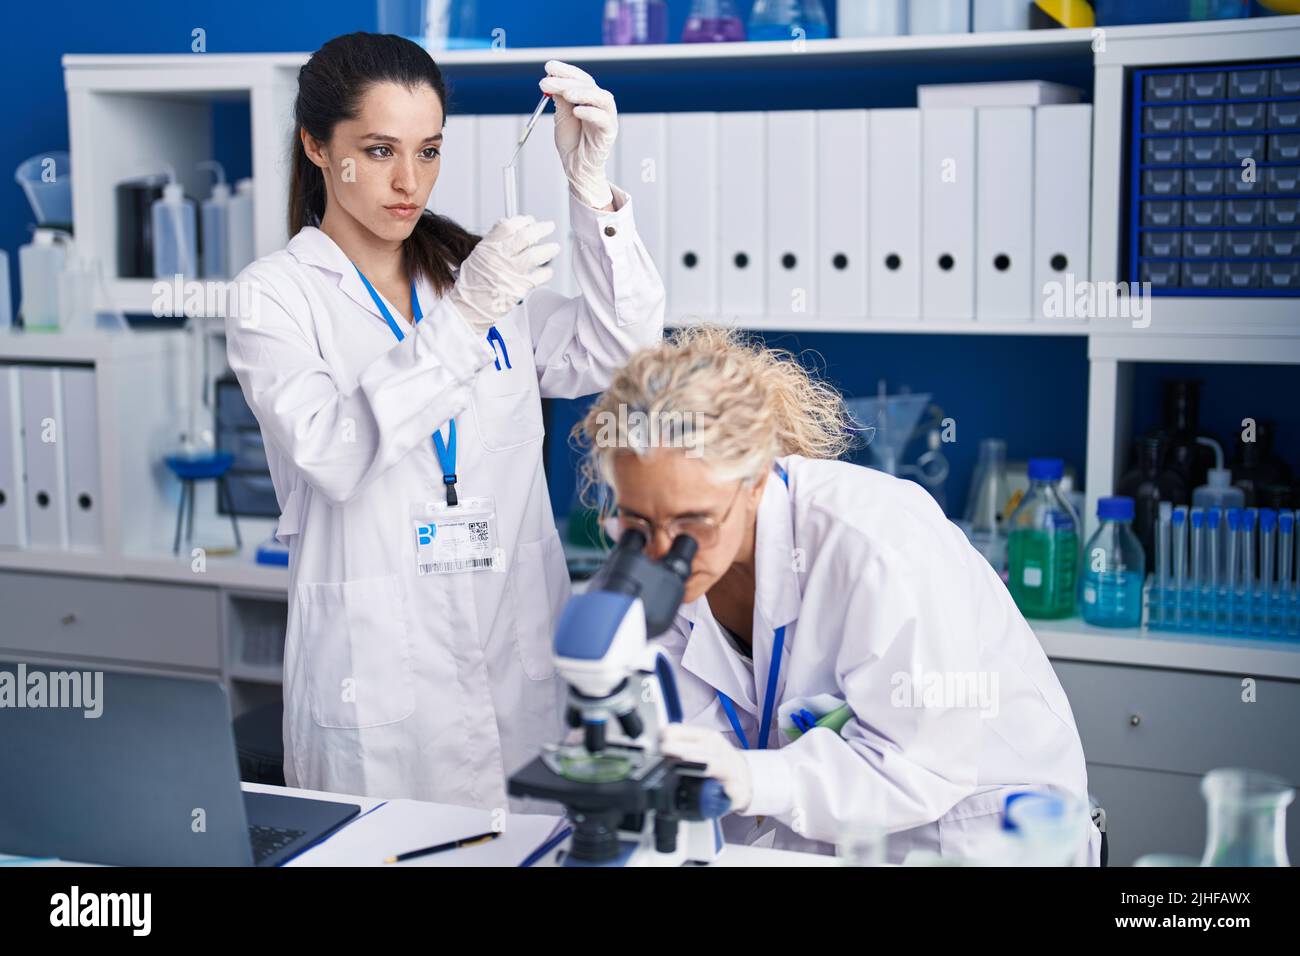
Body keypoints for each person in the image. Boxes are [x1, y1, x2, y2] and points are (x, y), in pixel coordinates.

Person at [224, 32, 664, 811]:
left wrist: (590, 188)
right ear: (317, 147)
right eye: (380, 150)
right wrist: (464, 318)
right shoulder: (275, 297)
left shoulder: (470, 272)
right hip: (382, 700)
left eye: (428, 152)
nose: (408, 181)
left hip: (517, 672)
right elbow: (333, 450)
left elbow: (620, 352)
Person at [573, 326, 1102, 864]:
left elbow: (920, 765)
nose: (661, 550)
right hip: (817, 844)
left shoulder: (875, 544)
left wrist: (751, 776)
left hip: (980, 837)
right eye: (638, 521)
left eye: (694, 522)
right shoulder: (647, 570)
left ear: (755, 482)